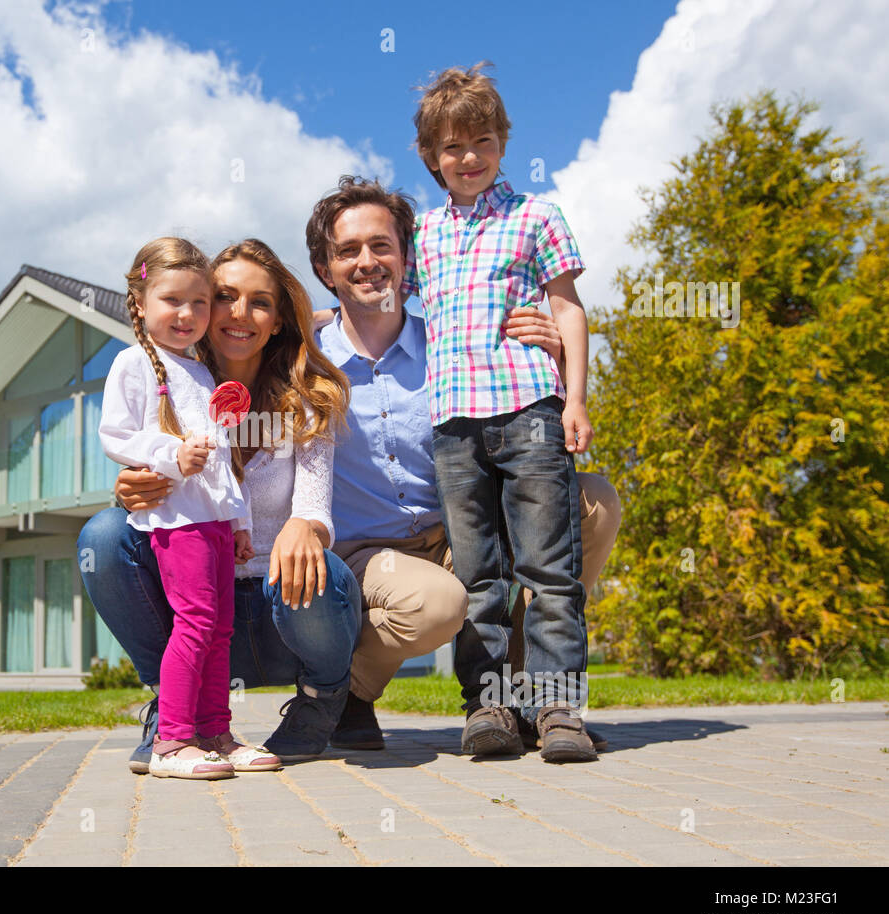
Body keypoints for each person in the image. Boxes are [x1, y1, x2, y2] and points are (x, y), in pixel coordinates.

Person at [305, 175, 621, 757]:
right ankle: (346, 691)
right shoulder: (309, 361)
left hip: (456, 531)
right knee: (439, 601)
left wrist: (549, 341)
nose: (368, 262)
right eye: (347, 251)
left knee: (594, 500)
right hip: (368, 554)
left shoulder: (454, 349)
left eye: (382, 246)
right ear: (326, 269)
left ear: (409, 260)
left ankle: (535, 702)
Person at [79, 239, 362, 770]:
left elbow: (311, 504)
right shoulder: (166, 373)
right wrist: (138, 482)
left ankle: (314, 705)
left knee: (318, 564)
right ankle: (173, 721)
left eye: (260, 302)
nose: (236, 313)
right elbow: (129, 437)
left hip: (279, 604)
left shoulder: (299, 396)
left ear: (278, 319)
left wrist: (295, 523)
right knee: (104, 535)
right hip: (197, 566)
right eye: (224, 296)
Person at [404, 63, 599, 761]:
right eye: (453, 147)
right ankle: (489, 707)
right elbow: (386, 311)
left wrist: (575, 397)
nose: (469, 158)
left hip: (530, 411)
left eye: (482, 141)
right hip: (454, 424)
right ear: (432, 157)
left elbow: (568, 308)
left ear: (503, 143)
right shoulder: (421, 235)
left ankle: (557, 711)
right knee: (477, 576)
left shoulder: (536, 217)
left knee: (549, 568)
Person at [98, 236, 277, 779]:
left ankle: (215, 731)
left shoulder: (201, 373)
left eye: (200, 303)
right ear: (141, 301)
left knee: (218, 627)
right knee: (195, 622)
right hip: (177, 520)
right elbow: (116, 435)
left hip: (214, 521)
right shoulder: (133, 365)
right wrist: (172, 456)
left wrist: (239, 520)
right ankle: (172, 742)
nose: (188, 314)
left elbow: (222, 457)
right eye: (172, 300)